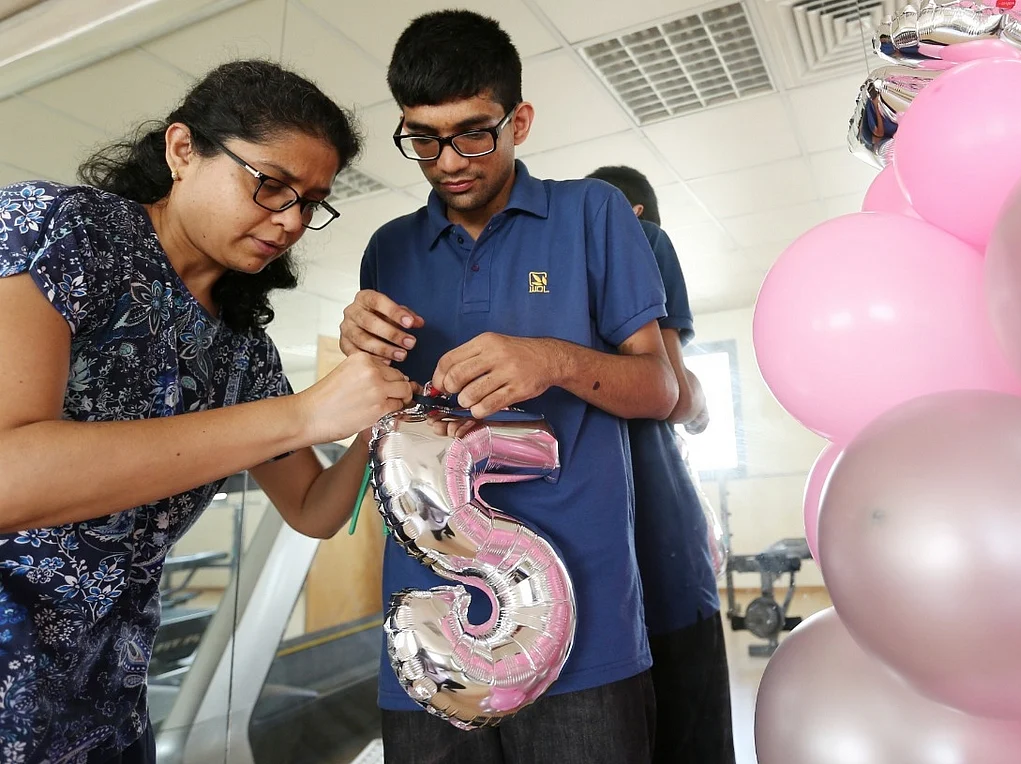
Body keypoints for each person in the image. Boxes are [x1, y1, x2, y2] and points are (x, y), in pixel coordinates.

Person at [0, 60, 415, 763]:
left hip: (102, 702)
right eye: (270, 185)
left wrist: (382, 414)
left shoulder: (242, 352)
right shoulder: (63, 232)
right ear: (183, 150)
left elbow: (313, 508)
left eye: (310, 203)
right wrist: (303, 415)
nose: (291, 221)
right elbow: (9, 477)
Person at [337, 10, 680, 764]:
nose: (447, 161)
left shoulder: (592, 214)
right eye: (422, 139)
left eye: (472, 134)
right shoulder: (387, 249)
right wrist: (359, 352)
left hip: (584, 628)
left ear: (518, 121)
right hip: (432, 628)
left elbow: (663, 390)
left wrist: (553, 360)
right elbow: (383, 417)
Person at [586, 165, 735, 764]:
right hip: (659, 543)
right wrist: (703, 408)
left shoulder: (546, 261)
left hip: (576, 551)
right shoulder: (642, 239)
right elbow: (673, 395)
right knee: (691, 737)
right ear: (637, 213)